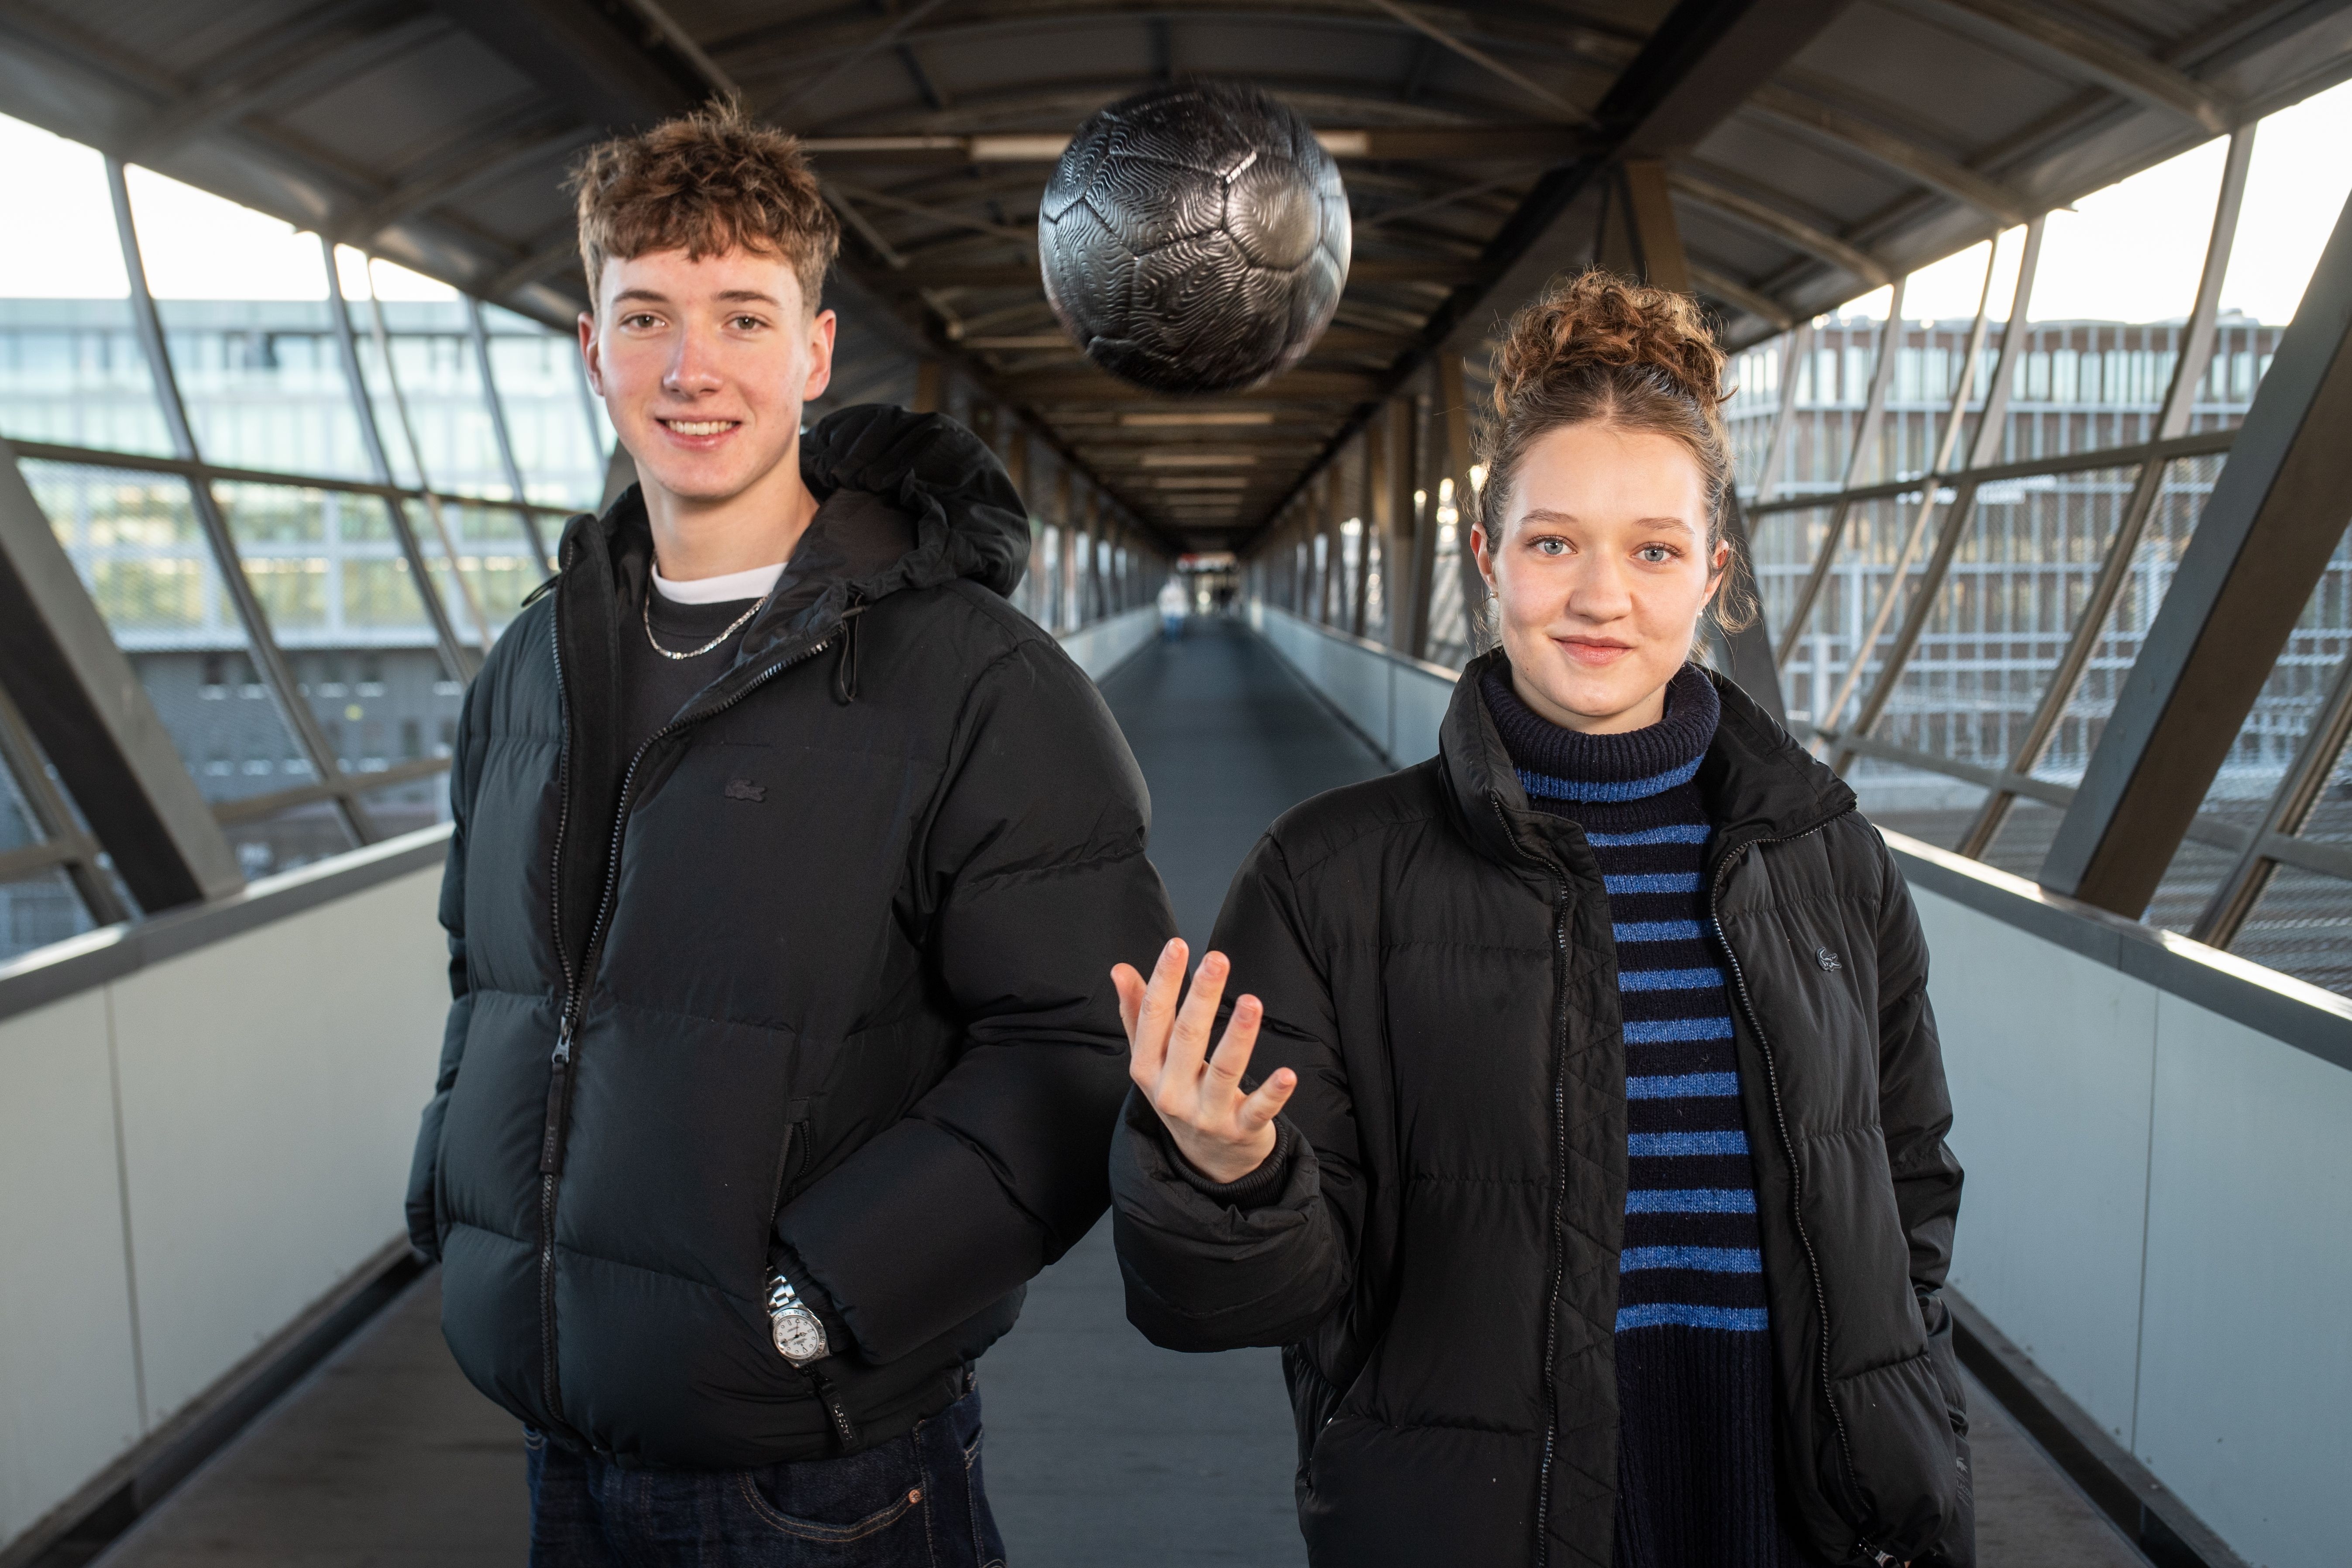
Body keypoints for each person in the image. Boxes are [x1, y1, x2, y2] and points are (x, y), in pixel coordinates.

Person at [404, 103, 1174, 1565]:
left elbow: (1079, 1049)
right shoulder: (530, 666)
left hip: (815, 1477)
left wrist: (819, 1295)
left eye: (742, 317)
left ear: (813, 355)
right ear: (591, 350)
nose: (692, 369)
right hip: (561, 1440)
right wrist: (455, 1192)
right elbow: (484, 973)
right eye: (647, 317)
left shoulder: (972, 680)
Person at [1107, 273, 1971, 1568]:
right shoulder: (1331, 876)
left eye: (1654, 551)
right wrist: (1223, 1179)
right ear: (1485, 558)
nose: (1599, 598)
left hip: (1808, 1513)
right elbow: (1229, 1301)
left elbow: (1904, 1178)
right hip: (1488, 1522)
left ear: (1711, 575)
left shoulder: (1823, 858)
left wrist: (1911, 1416)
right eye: (1553, 542)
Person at [1159, 573, 1190, 639]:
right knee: (1169, 626)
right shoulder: (1165, 590)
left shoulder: (1181, 589)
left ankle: (1176, 638)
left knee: (1177, 625)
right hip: (1168, 610)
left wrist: (1174, 599)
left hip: (1178, 610)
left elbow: (1183, 598)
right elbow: (1162, 599)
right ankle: (1170, 638)